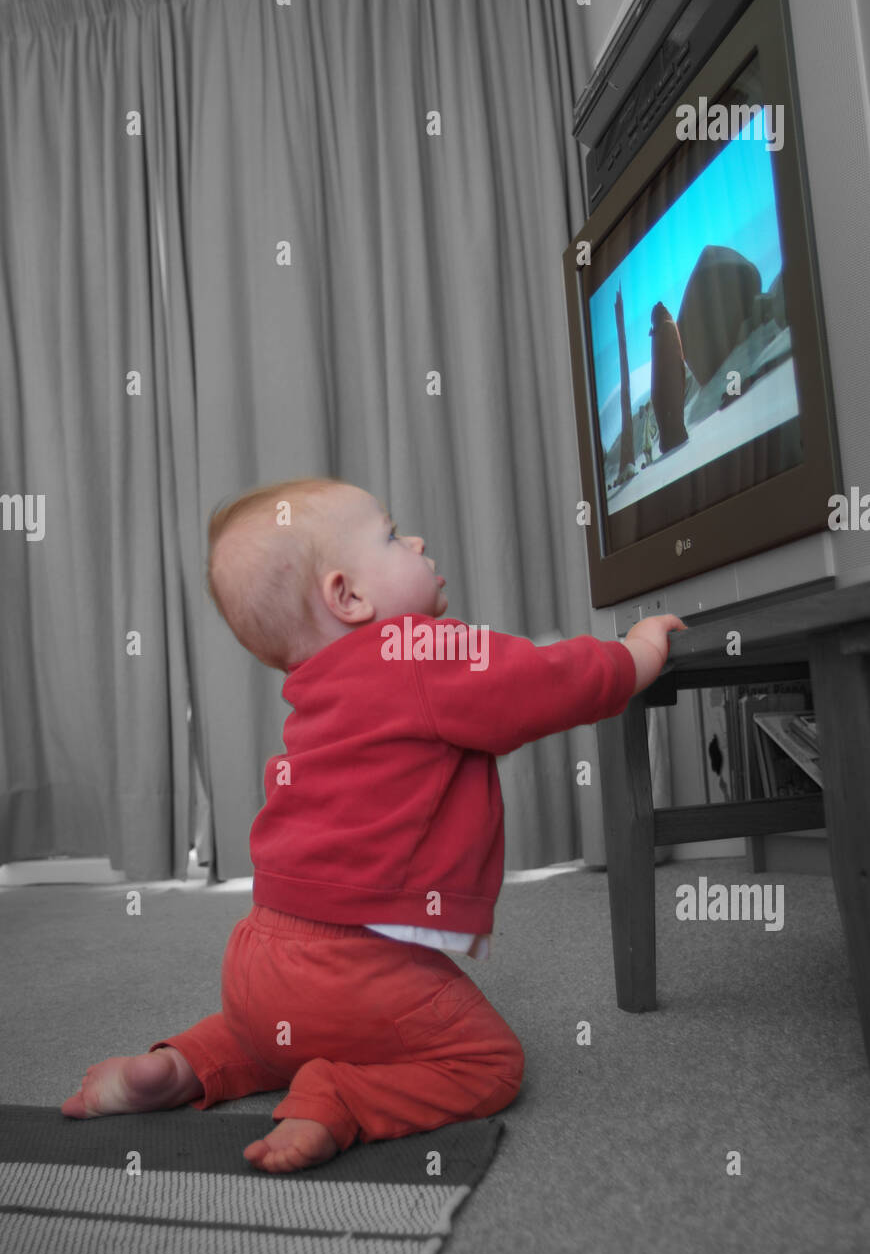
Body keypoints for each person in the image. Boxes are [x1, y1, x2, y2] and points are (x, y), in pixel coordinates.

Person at [62, 478, 685, 1173]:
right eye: (392, 535)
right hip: (358, 967)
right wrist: (636, 653)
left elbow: (501, 674)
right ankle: (342, 1098)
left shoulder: (317, 690)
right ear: (348, 597)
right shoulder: (419, 651)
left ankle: (181, 1066)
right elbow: (549, 681)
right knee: (488, 1063)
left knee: (266, 1037)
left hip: (256, 957)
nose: (415, 541)